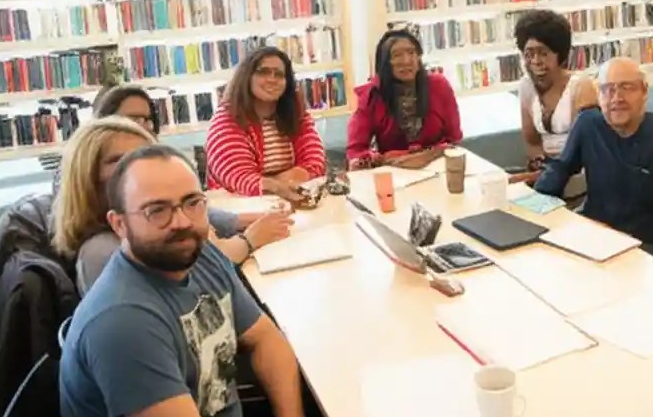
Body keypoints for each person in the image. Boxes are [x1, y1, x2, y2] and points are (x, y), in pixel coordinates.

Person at [59, 144, 307, 417]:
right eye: (157, 210)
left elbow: (265, 339)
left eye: (192, 202)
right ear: (119, 224)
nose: (181, 222)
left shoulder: (199, 255)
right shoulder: (122, 322)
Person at [52, 117, 293, 293]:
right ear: (86, 177)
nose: (139, 166)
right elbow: (207, 272)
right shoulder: (101, 254)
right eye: (120, 160)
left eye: (146, 155)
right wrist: (249, 240)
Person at [534, 57, 653, 266]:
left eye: (627, 87)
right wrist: (534, 208)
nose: (617, 97)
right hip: (595, 231)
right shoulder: (588, 124)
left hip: (646, 246)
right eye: (608, 89)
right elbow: (561, 168)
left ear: (644, 92)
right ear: (599, 96)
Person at [205, 46, 328, 200]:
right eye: (263, 72)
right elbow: (240, 181)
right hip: (241, 210)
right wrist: (282, 184)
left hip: (293, 200)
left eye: (279, 74)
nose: (272, 79)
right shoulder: (227, 120)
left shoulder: (296, 114)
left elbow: (315, 162)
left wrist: (274, 183)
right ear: (247, 77)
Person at [347, 29, 463, 171]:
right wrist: (380, 159)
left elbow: (454, 139)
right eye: (397, 55)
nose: (407, 61)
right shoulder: (372, 95)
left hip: (439, 169)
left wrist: (416, 157)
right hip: (395, 175)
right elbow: (356, 152)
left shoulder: (439, 85)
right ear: (385, 63)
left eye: (411, 53)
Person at [514, 9, 597, 195]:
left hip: (579, 176)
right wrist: (540, 168)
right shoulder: (526, 87)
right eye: (529, 54)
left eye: (543, 53)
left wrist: (551, 174)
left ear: (559, 55)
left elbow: (584, 150)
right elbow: (532, 143)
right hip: (545, 174)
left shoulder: (581, 86)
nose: (535, 61)